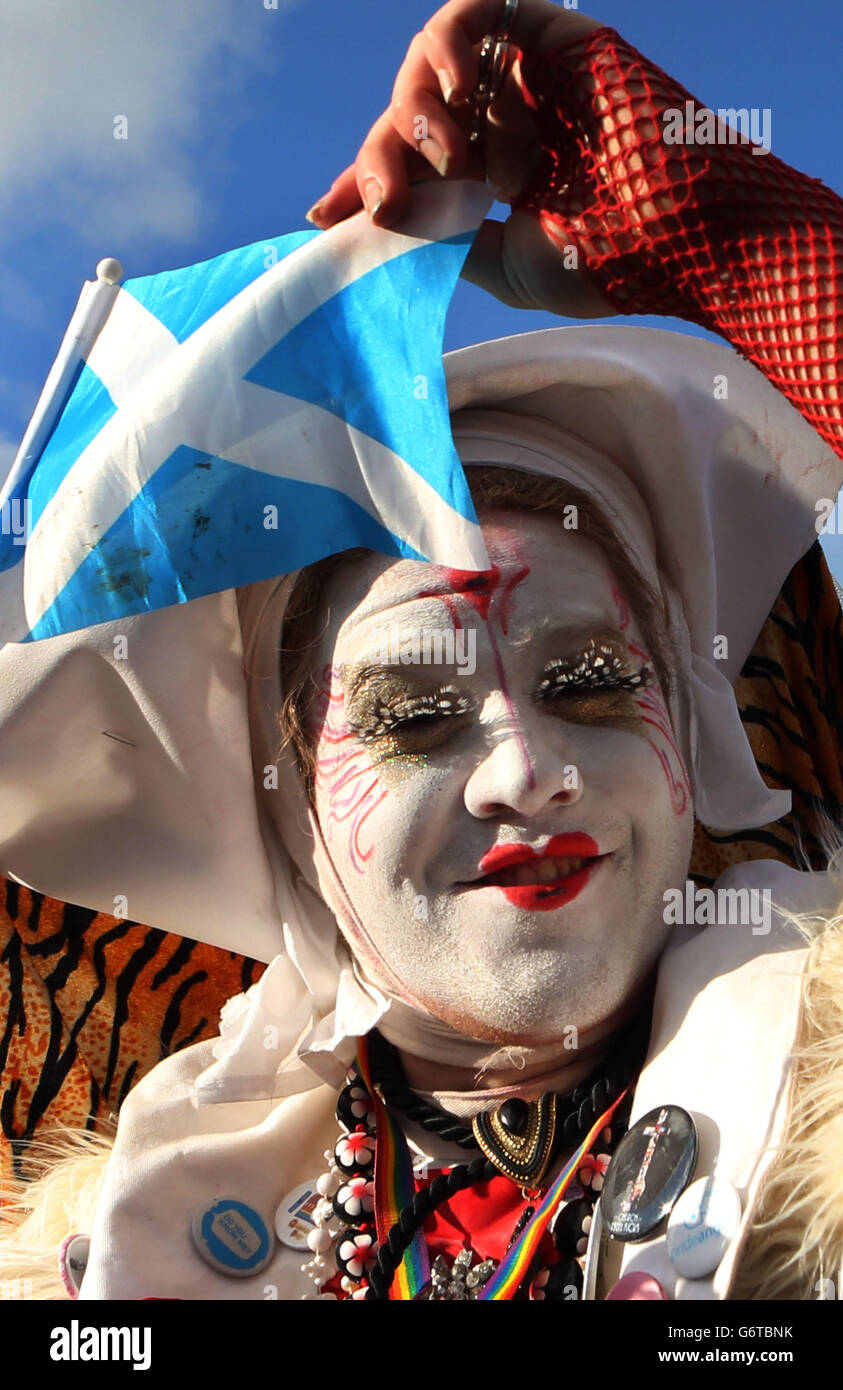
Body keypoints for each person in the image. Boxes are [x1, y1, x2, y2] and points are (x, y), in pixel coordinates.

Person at [1, 0, 842, 1302]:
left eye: (589, 684)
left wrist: (724, 237)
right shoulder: (83, 1269)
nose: (529, 771)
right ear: (288, 826)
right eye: (413, 715)